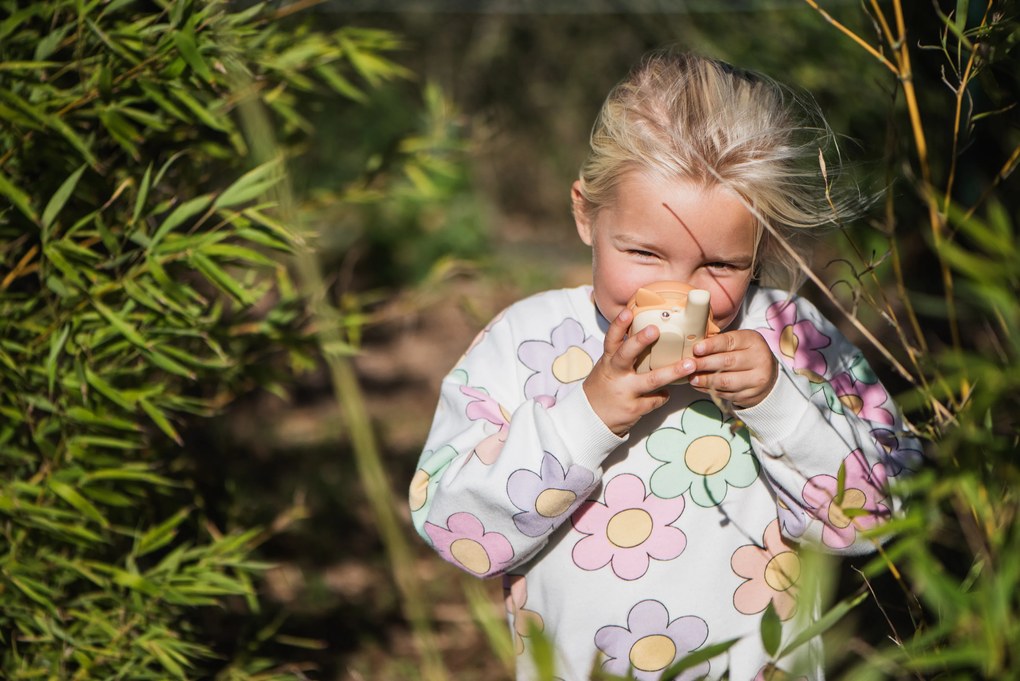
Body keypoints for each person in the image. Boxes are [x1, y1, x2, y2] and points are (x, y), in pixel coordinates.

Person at [408, 50, 920, 681]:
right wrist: (588, 414)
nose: (684, 293)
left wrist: (776, 402)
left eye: (721, 265)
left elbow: (875, 517)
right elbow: (460, 531)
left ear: (759, 246)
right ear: (585, 215)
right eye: (645, 253)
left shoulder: (791, 338)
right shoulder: (525, 342)